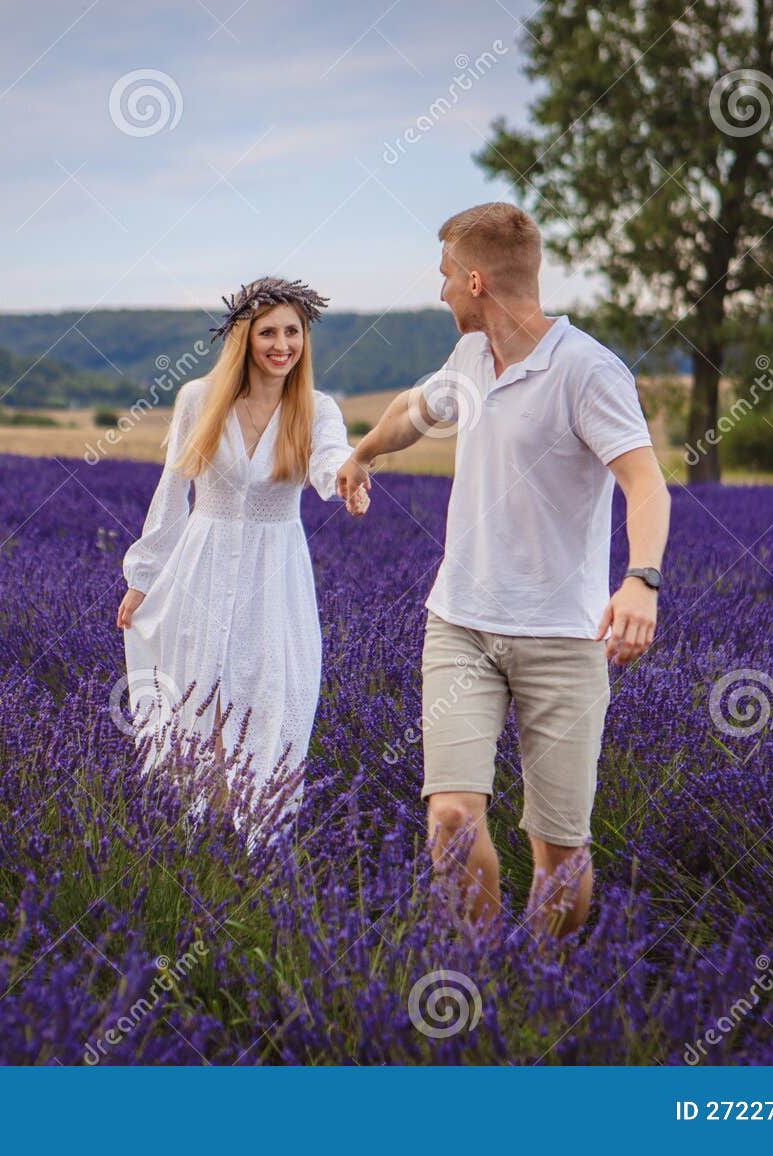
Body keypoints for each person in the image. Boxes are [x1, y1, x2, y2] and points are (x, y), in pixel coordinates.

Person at [337, 203, 670, 941]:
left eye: (447, 277)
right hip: (460, 625)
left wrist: (640, 579)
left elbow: (645, 483)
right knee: (451, 817)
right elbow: (413, 410)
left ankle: (544, 985)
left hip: (561, 636)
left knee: (559, 849)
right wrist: (363, 454)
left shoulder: (587, 370)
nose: (442, 292)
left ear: (478, 280)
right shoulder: (470, 360)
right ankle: (483, 976)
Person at [117, 277, 368, 845]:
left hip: (275, 577)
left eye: (293, 332)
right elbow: (172, 490)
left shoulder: (317, 408)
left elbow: (331, 461)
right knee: (197, 703)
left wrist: (347, 480)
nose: (283, 345)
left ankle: (255, 848)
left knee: (268, 700)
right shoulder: (197, 401)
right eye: (269, 333)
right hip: (199, 570)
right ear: (244, 340)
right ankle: (195, 846)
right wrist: (143, 577)